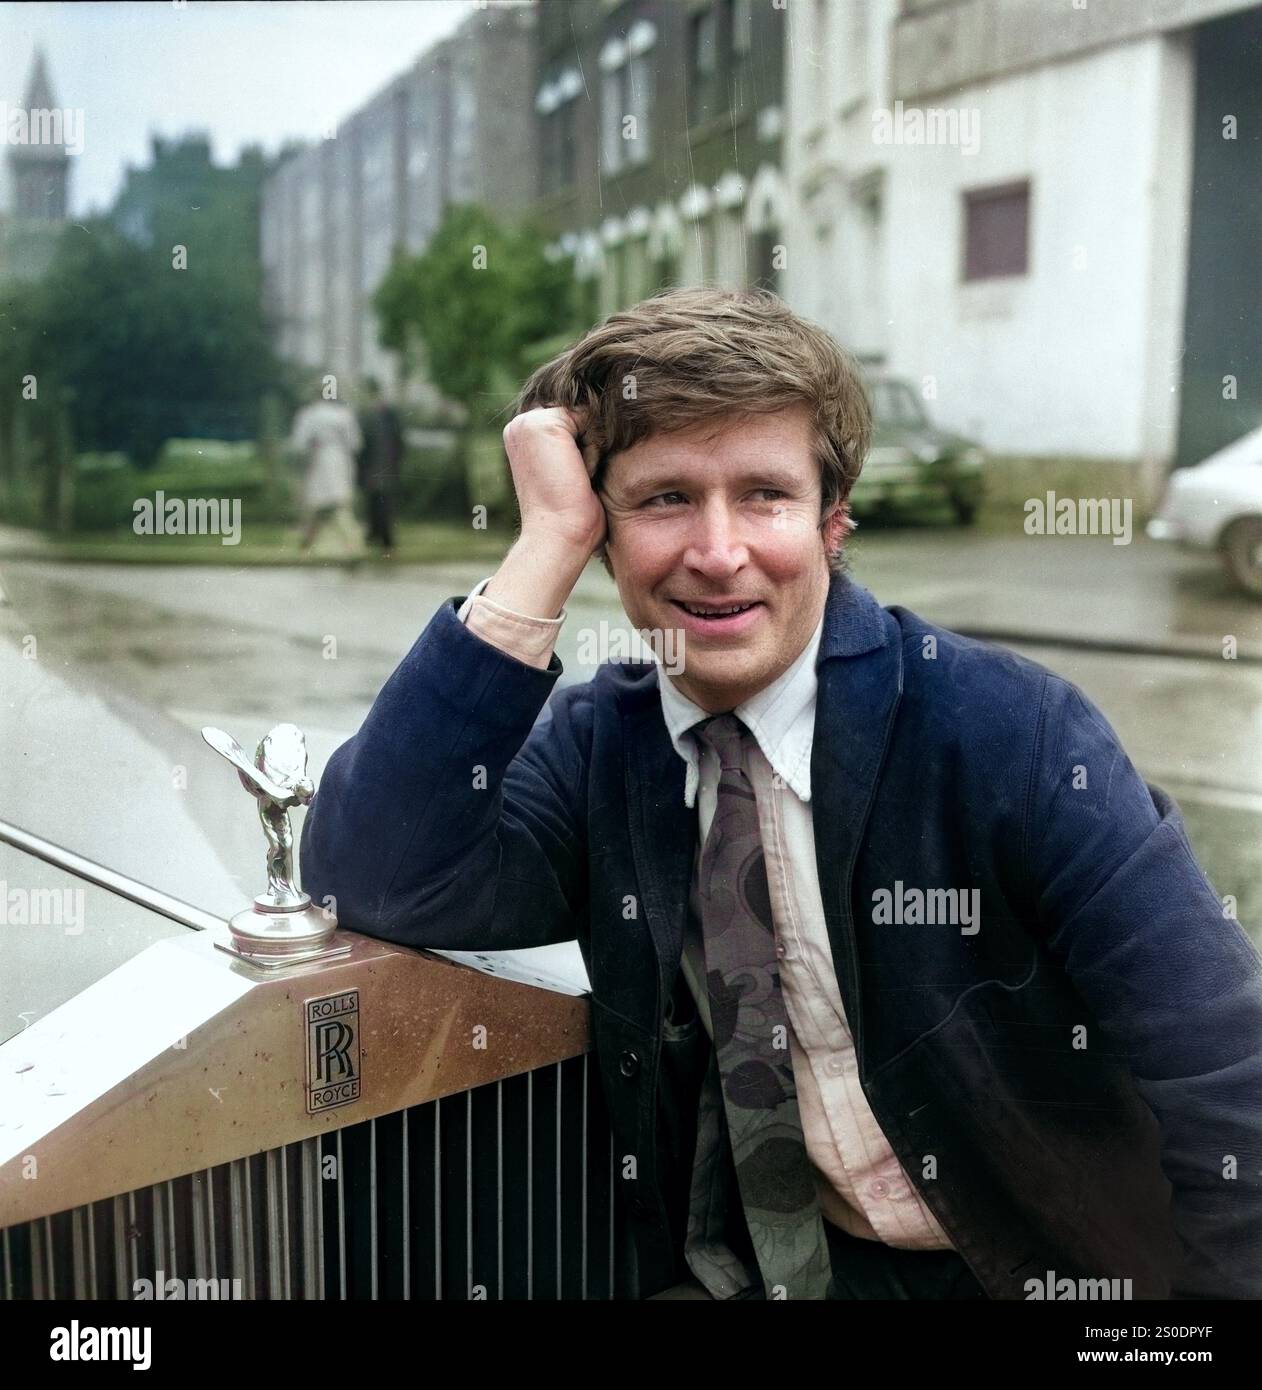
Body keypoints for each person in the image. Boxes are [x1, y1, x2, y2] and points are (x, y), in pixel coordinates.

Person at [299, 286, 1262, 1301]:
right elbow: (375, 873)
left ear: (832, 521)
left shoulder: (1012, 734)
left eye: (764, 494)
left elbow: (1229, 1076)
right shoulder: (599, 749)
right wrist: (542, 545)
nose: (719, 555)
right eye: (663, 499)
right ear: (602, 534)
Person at [288, 380, 364, 557]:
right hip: (341, 461)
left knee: (321, 505)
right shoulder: (344, 414)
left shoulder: (309, 414)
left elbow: (299, 443)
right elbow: (355, 443)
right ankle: (345, 544)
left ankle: (310, 546)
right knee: (335, 504)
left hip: (319, 461)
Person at [355, 376, 405, 556]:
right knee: (380, 504)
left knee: (378, 505)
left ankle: (382, 538)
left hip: (376, 469)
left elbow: (363, 446)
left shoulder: (371, 417)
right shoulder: (388, 417)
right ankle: (380, 537)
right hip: (385, 467)